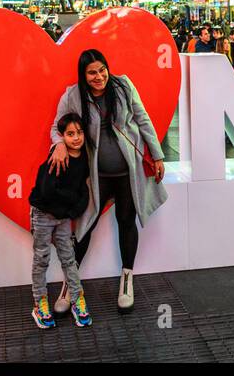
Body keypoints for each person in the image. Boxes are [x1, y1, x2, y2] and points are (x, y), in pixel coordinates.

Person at [47, 49, 167, 313]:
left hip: (127, 172)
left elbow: (143, 119)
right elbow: (57, 126)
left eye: (102, 70)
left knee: (126, 221)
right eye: (92, 72)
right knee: (84, 227)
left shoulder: (122, 86)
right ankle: (70, 283)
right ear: (84, 74)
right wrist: (58, 145)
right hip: (94, 176)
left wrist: (157, 155)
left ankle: (126, 279)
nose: (99, 76)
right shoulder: (74, 95)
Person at [29, 112, 93, 329]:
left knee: (69, 258)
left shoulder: (84, 158)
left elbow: (81, 187)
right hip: (44, 214)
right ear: (61, 136)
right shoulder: (57, 156)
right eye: (70, 134)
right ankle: (40, 303)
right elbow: (47, 191)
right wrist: (70, 203)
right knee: (41, 259)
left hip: (63, 216)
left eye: (80, 133)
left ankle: (77, 299)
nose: (76, 138)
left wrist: (74, 208)